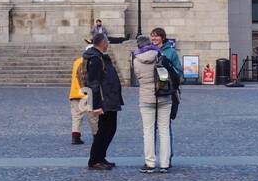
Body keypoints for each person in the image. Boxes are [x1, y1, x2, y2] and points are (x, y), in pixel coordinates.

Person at [132, 32, 182, 173]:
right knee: (164, 130)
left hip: (146, 98)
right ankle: (165, 163)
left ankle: (150, 163)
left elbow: (138, 77)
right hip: (164, 96)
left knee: (148, 131)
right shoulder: (161, 56)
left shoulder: (136, 60)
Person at [82, 32, 123, 170]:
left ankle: (101, 157)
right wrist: (96, 105)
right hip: (103, 101)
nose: (108, 44)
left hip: (110, 99)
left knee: (109, 129)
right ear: (103, 43)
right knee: (103, 131)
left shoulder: (101, 57)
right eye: (107, 42)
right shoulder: (95, 59)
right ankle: (94, 160)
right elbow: (93, 83)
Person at [68, 42, 99, 145]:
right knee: (93, 116)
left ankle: (75, 137)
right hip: (87, 93)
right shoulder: (92, 62)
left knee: (76, 116)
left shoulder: (76, 61)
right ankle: (96, 136)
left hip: (75, 92)